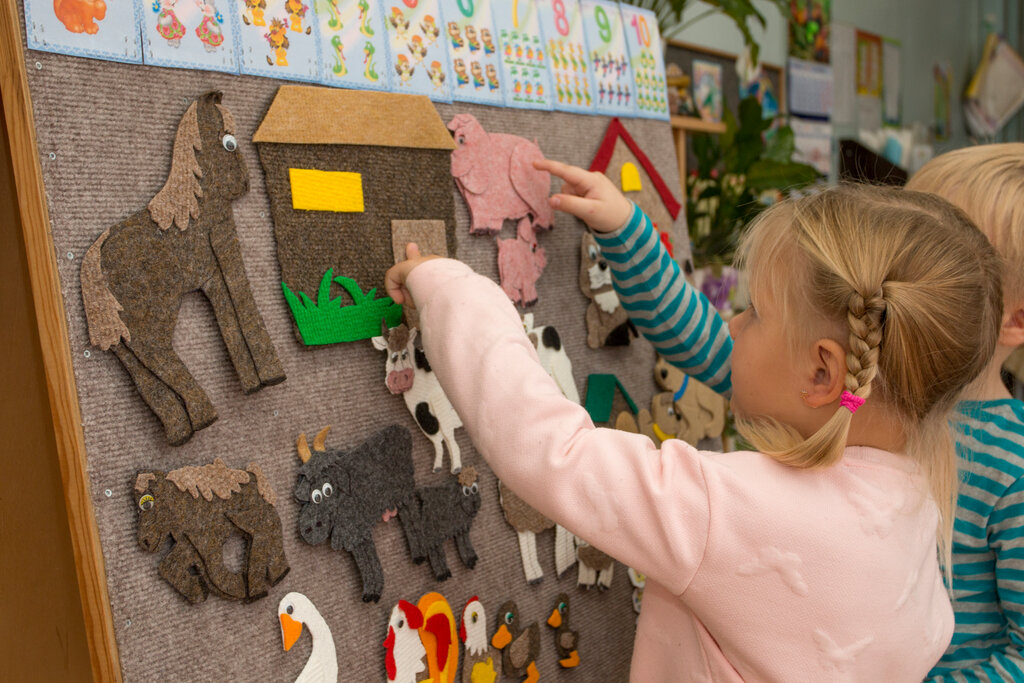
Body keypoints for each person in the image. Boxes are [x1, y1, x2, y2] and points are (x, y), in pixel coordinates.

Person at [384, 162, 1003, 681]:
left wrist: (452, 292)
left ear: (823, 374)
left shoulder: (727, 507)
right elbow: (709, 344)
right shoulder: (917, 503)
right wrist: (629, 232)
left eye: (752, 313)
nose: (732, 326)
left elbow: (550, 450)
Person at [906, 145, 1024, 681]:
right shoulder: (873, 399)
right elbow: (729, 360)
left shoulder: (1013, 469)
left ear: (1012, 321)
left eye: (936, 267)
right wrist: (630, 234)